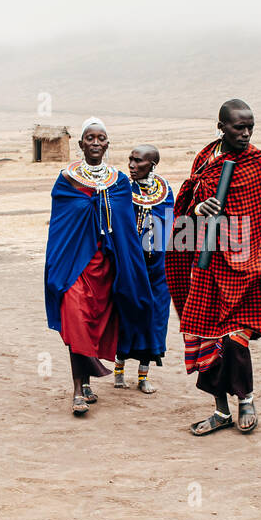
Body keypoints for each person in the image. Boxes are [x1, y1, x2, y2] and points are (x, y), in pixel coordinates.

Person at [167, 99, 261, 435]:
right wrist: (199, 208)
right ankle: (221, 410)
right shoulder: (205, 160)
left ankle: (246, 399)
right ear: (221, 127)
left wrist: (256, 264)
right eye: (238, 127)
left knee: (235, 339)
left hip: (243, 264)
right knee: (206, 339)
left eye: (250, 127)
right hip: (205, 262)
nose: (245, 134)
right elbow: (185, 205)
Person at [45, 119, 152, 415]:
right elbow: (60, 228)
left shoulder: (118, 182)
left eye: (100, 138)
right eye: (89, 138)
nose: (95, 142)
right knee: (75, 318)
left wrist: (132, 268)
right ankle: (78, 390)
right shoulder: (67, 179)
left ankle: (88, 381)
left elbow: (126, 227)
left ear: (107, 144)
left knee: (95, 325)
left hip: (107, 268)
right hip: (74, 266)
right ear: (80, 145)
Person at [113, 144, 172, 393]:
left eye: (138, 161)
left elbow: (169, 228)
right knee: (126, 316)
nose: (132, 165)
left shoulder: (165, 191)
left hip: (158, 271)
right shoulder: (121, 189)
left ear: (152, 165)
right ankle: (118, 370)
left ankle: (143, 376)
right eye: (130, 160)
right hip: (129, 268)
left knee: (153, 320)